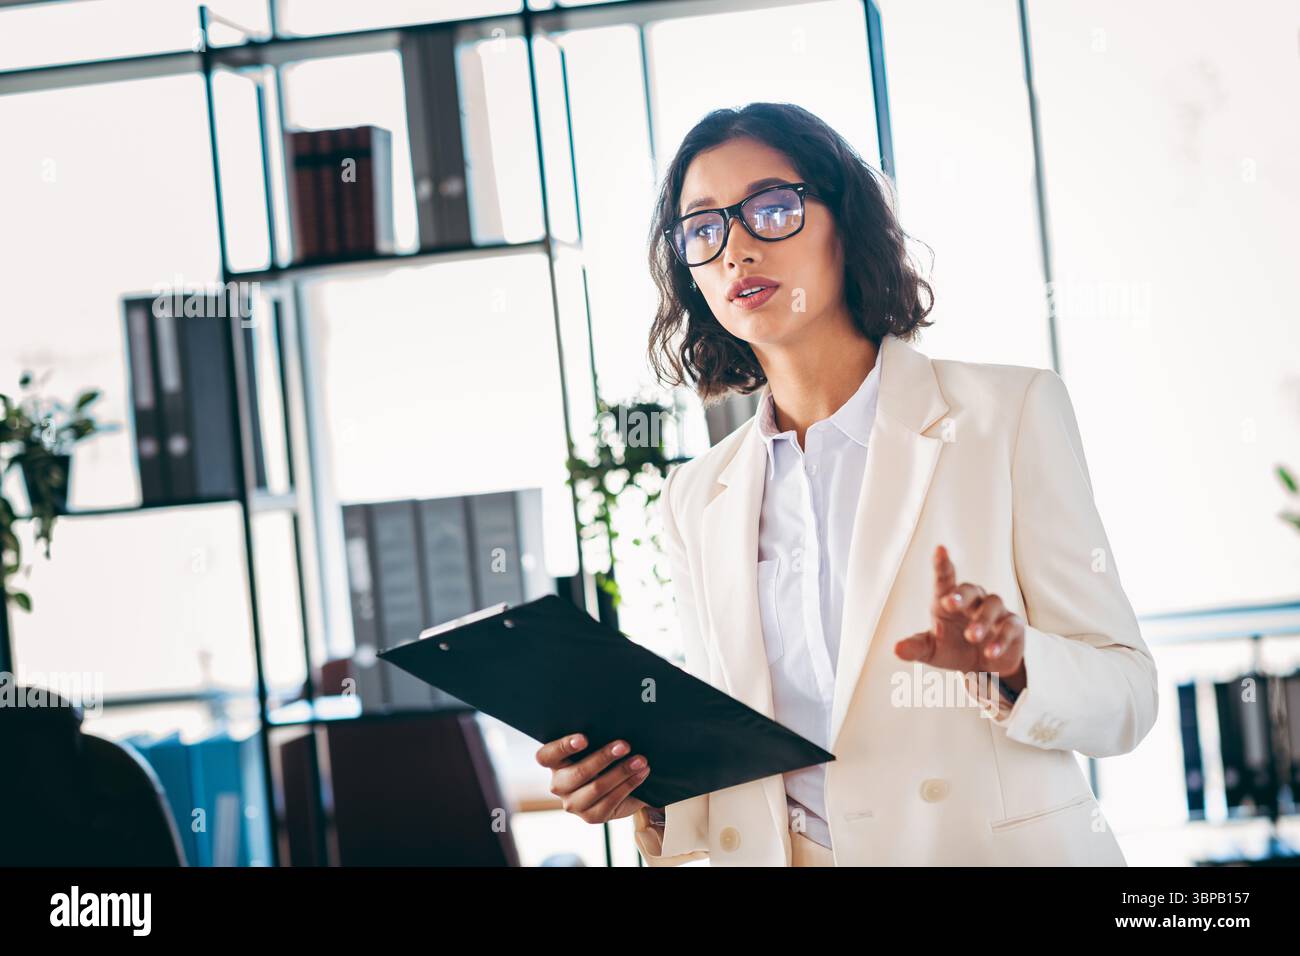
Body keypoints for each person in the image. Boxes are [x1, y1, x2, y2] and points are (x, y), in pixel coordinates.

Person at [536, 102, 1157, 866]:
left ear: (844, 221)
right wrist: (644, 791)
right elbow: (746, 757)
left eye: (770, 209)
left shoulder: (1007, 415)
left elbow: (1129, 696)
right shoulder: (697, 497)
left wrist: (1016, 662)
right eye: (703, 228)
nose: (735, 249)